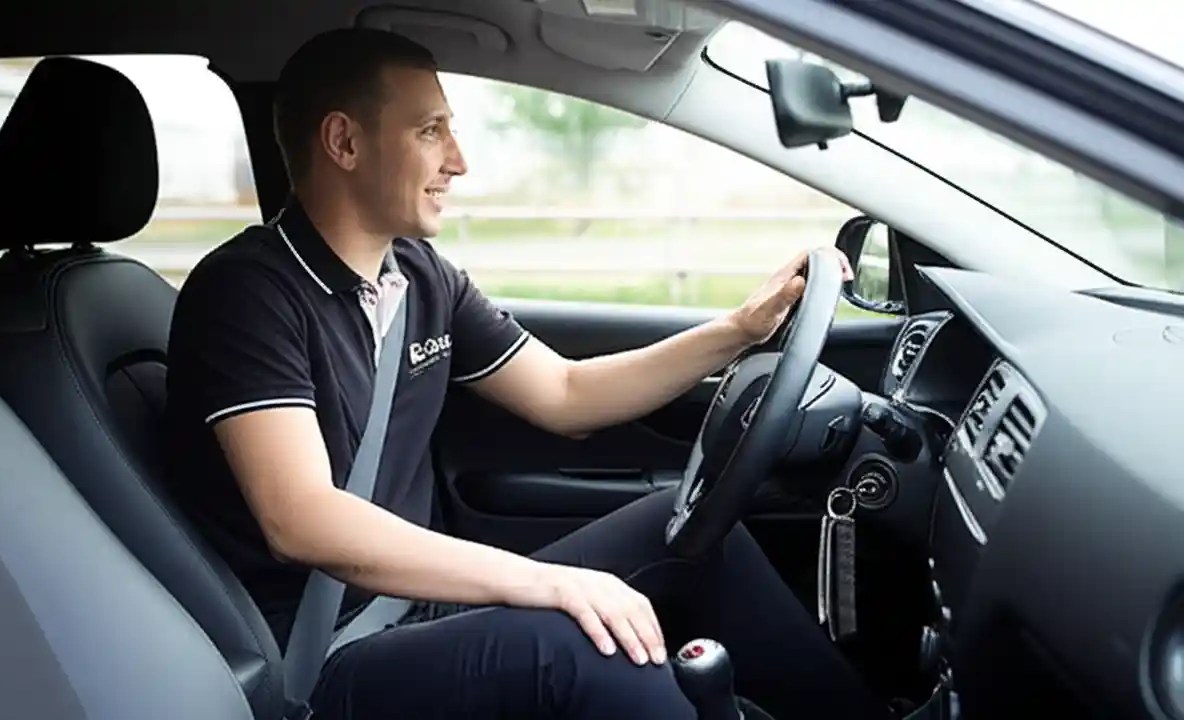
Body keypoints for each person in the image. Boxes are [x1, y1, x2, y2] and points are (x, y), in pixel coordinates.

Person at [164, 27, 889, 720]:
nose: (458, 160)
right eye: (430, 131)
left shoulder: (419, 277)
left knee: (697, 535)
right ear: (344, 142)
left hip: (416, 607)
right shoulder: (247, 293)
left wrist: (736, 332)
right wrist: (545, 582)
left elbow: (566, 394)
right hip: (321, 656)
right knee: (596, 644)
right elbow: (302, 518)